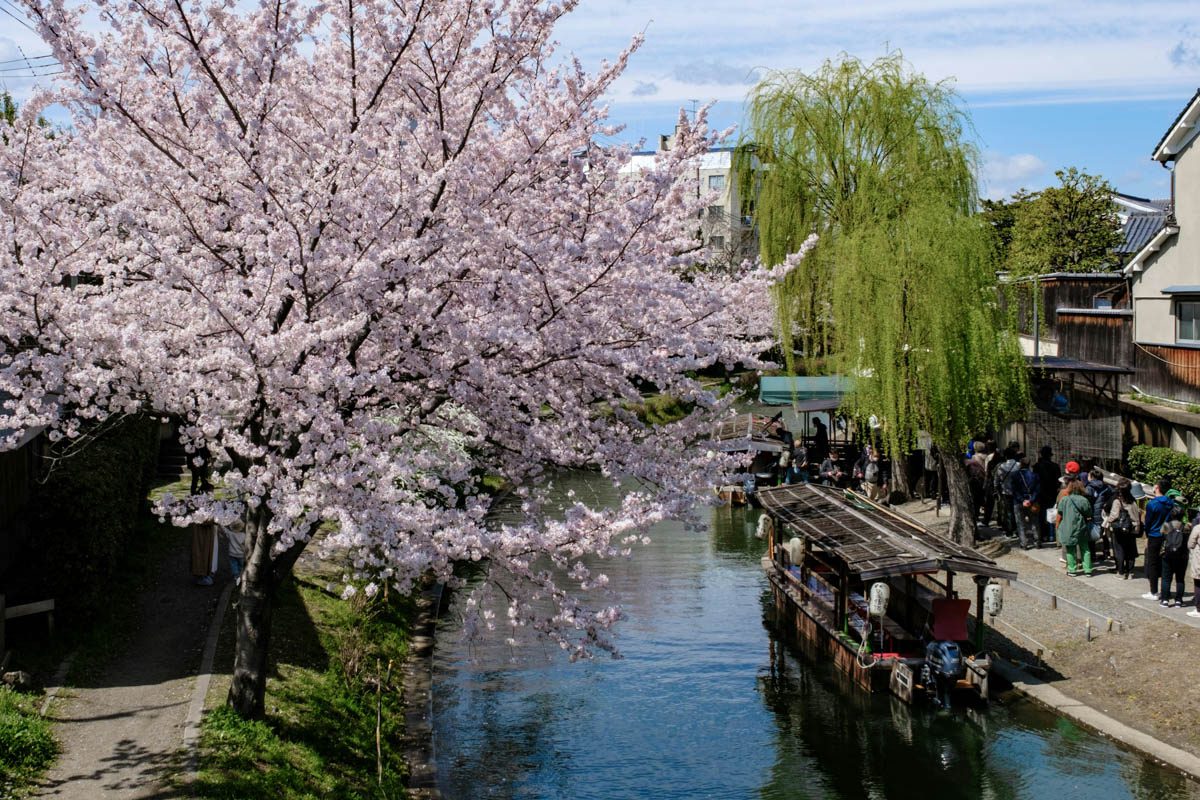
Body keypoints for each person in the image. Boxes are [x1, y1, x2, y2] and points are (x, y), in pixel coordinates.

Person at [1141, 478, 1176, 601]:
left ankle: (1154, 591)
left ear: (1157, 488)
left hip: (1154, 535)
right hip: (1167, 534)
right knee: (1165, 564)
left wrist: (1146, 533)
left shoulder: (1152, 504)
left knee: (1153, 563)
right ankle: (1165, 591)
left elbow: (1148, 522)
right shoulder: (1171, 503)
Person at [1103, 478, 1142, 580]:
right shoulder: (1133, 500)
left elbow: (1114, 515)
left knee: (1119, 550)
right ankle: (1130, 572)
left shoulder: (1118, 500)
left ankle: (1120, 572)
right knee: (1130, 550)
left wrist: (1108, 521)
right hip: (1132, 528)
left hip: (1120, 529)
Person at [1056, 479, 1094, 576]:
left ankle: (1072, 570)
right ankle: (1088, 570)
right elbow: (1089, 513)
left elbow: (1060, 512)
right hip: (1082, 526)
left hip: (1068, 527)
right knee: (1085, 548)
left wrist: (1057, 525)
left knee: (1070, 549)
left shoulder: (1064, 499)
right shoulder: (1084, 500)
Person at [1007, 454, 1040, 550]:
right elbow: (1037, 490)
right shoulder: (1035, 475)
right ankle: (1037, 541)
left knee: (1020, 523)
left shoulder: (1014, 475)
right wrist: (1031, 500)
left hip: (1018, 502)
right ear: (1029, 464)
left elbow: (1014, 490)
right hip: (1032, 502)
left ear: (1020, 464)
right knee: (1034, 522)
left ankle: (1024, 543)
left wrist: (1022, 500)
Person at [1159, 504, 1189, 608]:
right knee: (1180, 579)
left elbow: (1162, 537)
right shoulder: (1186, 527)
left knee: (1166, 578)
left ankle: (1165, 600)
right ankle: (1179, 601)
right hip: (1182, 555)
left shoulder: (1166, 526)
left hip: (1167, 554)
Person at [1032, 446, 1061, 544]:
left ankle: (1042, 535)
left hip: (1040, 493)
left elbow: (1034, 480)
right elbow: (1058, 482)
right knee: (1052, 513)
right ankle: (1052, 535)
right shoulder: (1055, 466)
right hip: (1052, 494)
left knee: (1041, 515)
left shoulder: (1037, 466)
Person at [1084, 467, 1113, 561]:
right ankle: (1106, 553)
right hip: (1105, 514)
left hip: (1093, 513)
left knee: (1091, 533)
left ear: (1092, 477)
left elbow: (1087, 502)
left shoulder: (1089, 488)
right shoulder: (1107, 487)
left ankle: (1092, 555)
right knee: (1105, 533)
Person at [993, 446, 1020, 537]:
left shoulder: (1001, 467)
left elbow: (996, 481)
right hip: (1018, 492)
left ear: (1005, 456)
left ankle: (1009, 531)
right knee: (1017, 512)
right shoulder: (1019, 465)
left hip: (1006, 492)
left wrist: (997, 491)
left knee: (1008, 512)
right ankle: (1017, 530)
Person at [190, 521, 218, 586]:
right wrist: (215, 519)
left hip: (208, 530)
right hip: (203, 532)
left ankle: (205, 573)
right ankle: (203, 575)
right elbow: (203, 519)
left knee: (207, 551)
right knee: (203, 551)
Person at [223, 517, 247, 584]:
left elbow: (224, 530)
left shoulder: (230, 534)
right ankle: (241, 575)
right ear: (241, 528)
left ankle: (236, 575)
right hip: (241, 554)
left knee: (233, 565)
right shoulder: (244, 535)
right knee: (241, 566)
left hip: (232, 554)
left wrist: (220, 523)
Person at [1188, 513, 1200, 618]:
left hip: (1199, 559)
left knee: (1198, 583)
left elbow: (1190, 544)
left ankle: (1198, 609)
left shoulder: (1197, 528)